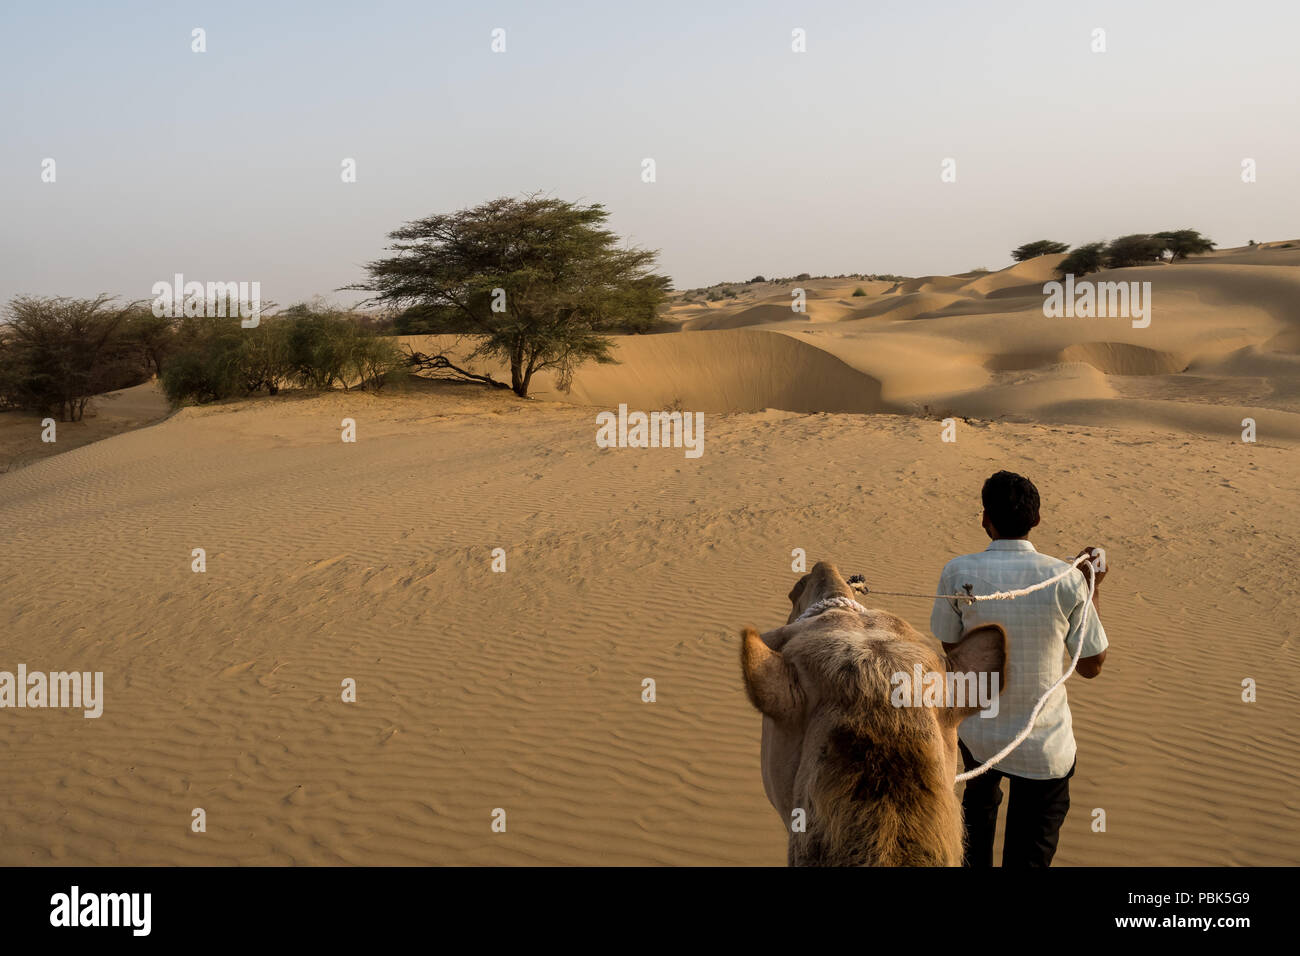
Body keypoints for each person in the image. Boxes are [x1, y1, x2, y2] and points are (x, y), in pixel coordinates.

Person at [930, 470, 1108, 867]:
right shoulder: (1066, 580)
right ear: (1037, 519)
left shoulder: (958, 572)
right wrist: (1092, 588)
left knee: (972, 845)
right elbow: (1092, 665)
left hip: (980, 737)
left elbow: (951, 646)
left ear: (984, 519)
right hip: (1045, 747)